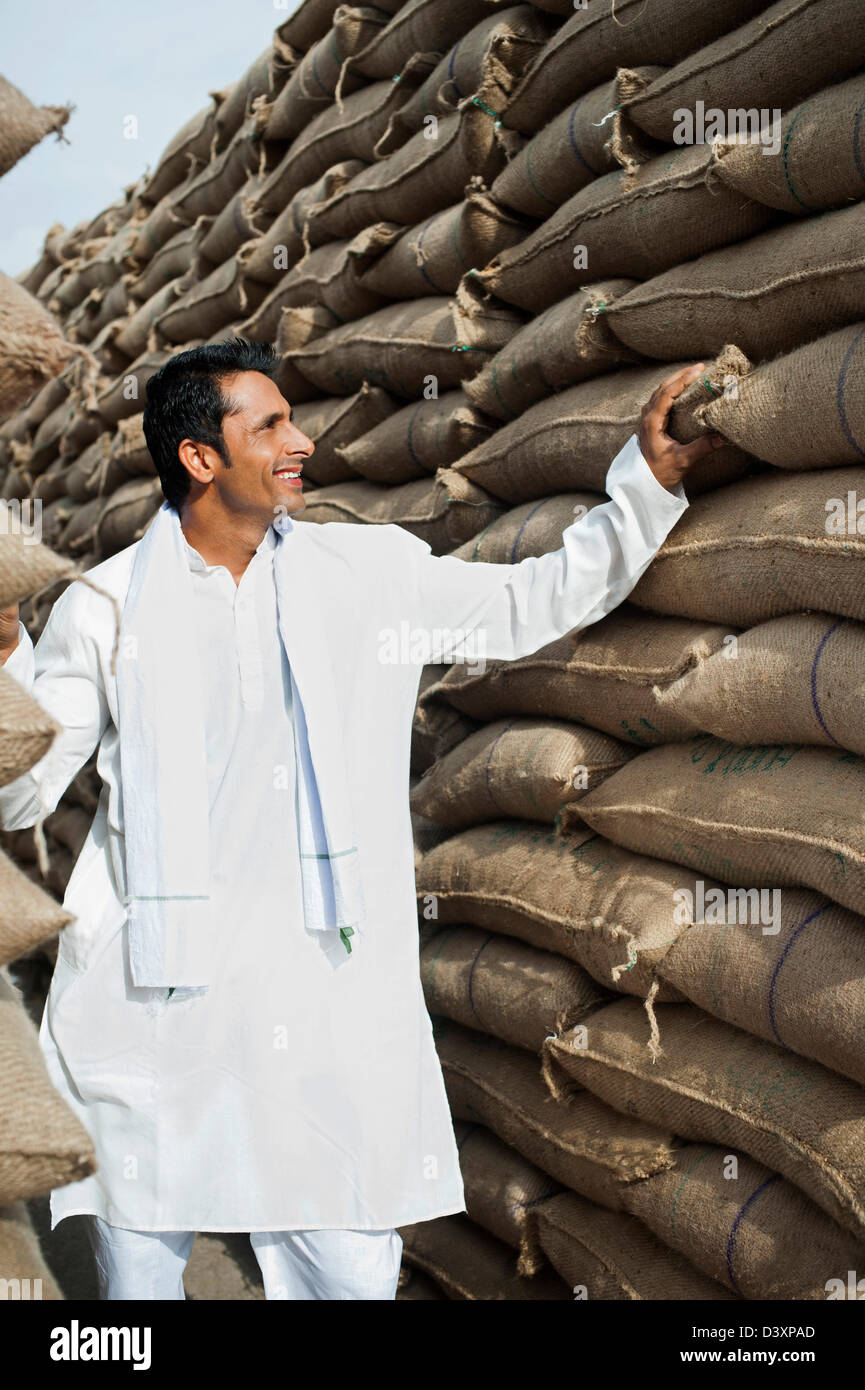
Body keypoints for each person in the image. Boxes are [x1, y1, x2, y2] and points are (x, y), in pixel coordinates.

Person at [0, 337, 724, 1300]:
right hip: (155, 1017)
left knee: (344, 1273)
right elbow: (22, 791)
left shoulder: (368, 573)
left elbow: (529, 600)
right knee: (135, 1289)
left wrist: (644, 486)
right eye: (270, 426)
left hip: (323, 1007)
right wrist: (7, 659)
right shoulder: (106, 611)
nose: (301, 442)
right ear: (199, 458)